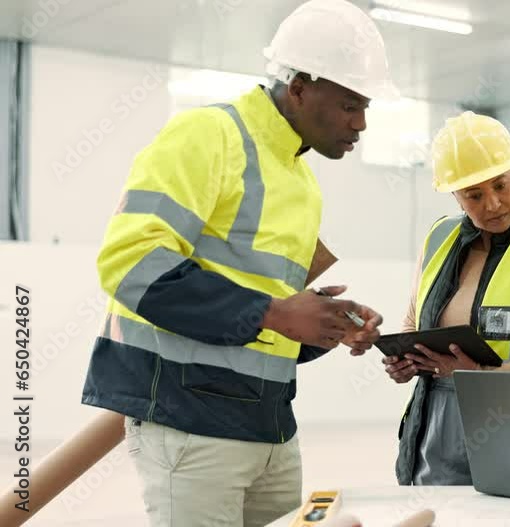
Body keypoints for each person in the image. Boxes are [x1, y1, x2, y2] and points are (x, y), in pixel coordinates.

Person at [79, 1, 397, 525]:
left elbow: (265, 324)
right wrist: (275, 313)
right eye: (349, 104)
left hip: (269, 428)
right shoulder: (208, 136)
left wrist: (326, 327)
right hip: (190, 427)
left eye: (365, 107)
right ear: (298, 87)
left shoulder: (303, 184)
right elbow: (129, 263)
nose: (360, 123)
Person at [385, 111, 510, 485]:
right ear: (456, 197)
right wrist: (406, 362)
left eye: (501, 185)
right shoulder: (438, 239)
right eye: (474, 195)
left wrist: (479, 377)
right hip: (433, 430)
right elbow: (413, 324)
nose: (492, 204)